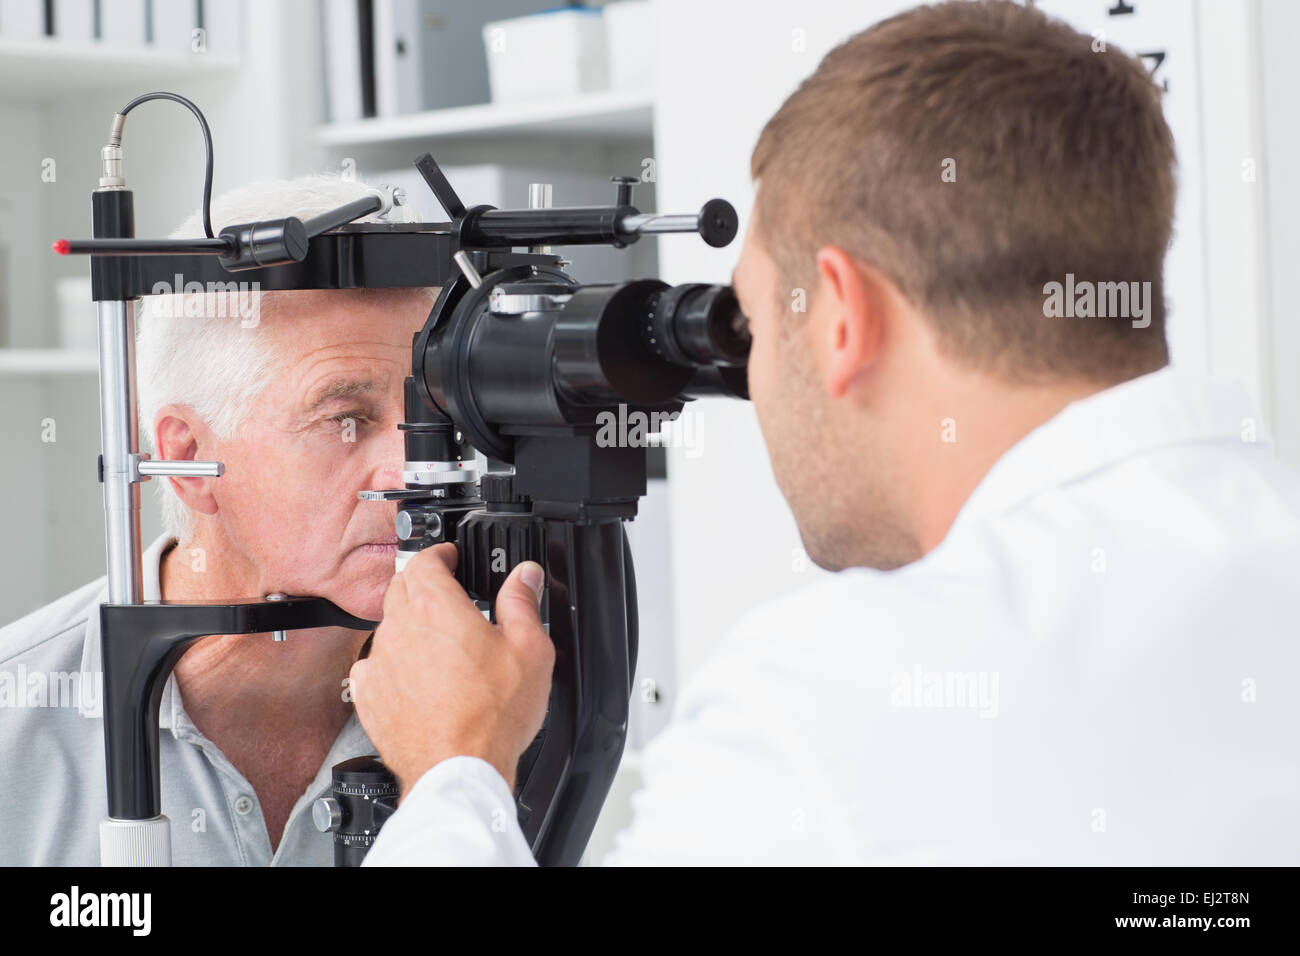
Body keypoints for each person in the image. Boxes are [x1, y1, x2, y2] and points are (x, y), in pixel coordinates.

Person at [348, 0, 1300, 865]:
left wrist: (453, 768)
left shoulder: (832, 709)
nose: (746, 371)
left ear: (841, 316)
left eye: (754, 324)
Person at [0, 175, 435, 865]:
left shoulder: (486, 706)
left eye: (435, 414)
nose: (413, 470)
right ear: (189, 458)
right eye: (346, 420)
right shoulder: (16, 725)